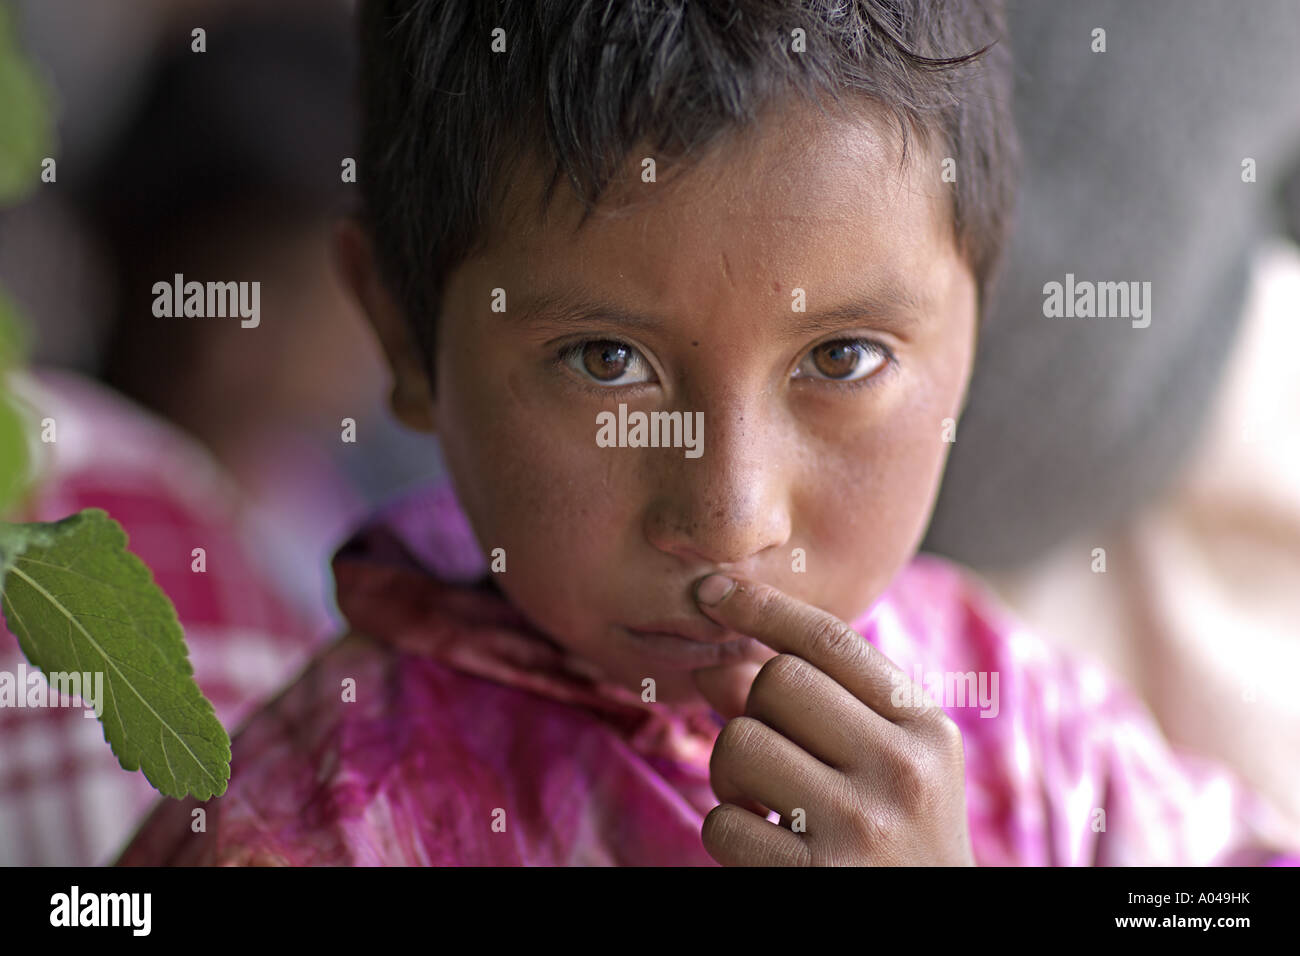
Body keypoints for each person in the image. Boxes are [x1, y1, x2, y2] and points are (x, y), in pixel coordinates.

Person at [116, 0, 1300, 866]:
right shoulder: (309, 830)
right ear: (404, 335)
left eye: (842, 357)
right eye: (606, 361)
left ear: (974, 330)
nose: (732, 511)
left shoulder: (1025, 727)